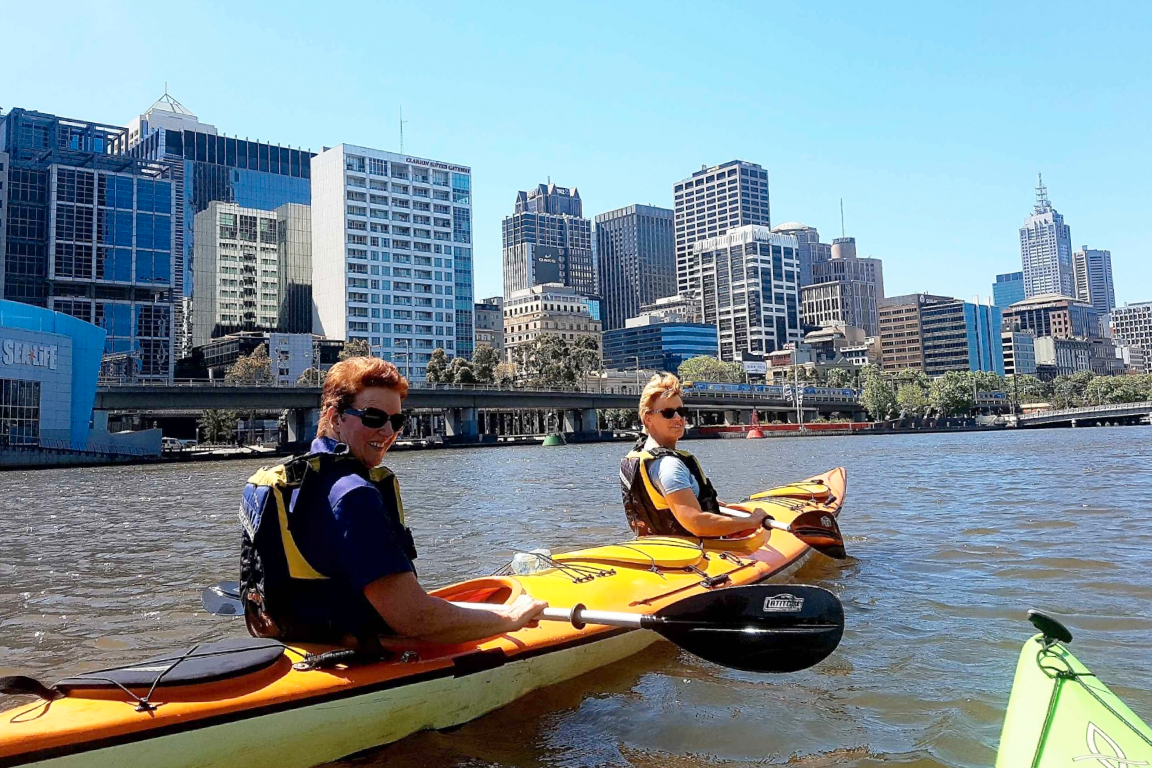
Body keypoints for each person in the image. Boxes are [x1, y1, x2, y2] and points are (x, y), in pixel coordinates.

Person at [240, 356, 546, 646]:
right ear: (335, 417)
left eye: (396, 420)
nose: (387, 432)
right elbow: (414, 618)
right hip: (362, 652)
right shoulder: (351, 493)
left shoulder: (298, 480)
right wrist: (509, 617)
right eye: (373, 417)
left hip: (301, 640)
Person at [620, 373, 767, 538]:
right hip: (690, 553)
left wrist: (707, 505)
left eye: (681, 411)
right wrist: (753, 521)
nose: (678, 418)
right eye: (668, 413)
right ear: (648, 419)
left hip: (661, 545)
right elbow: (697, 523)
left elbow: (664, 504)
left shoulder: (642, 455)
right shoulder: (668, 466)